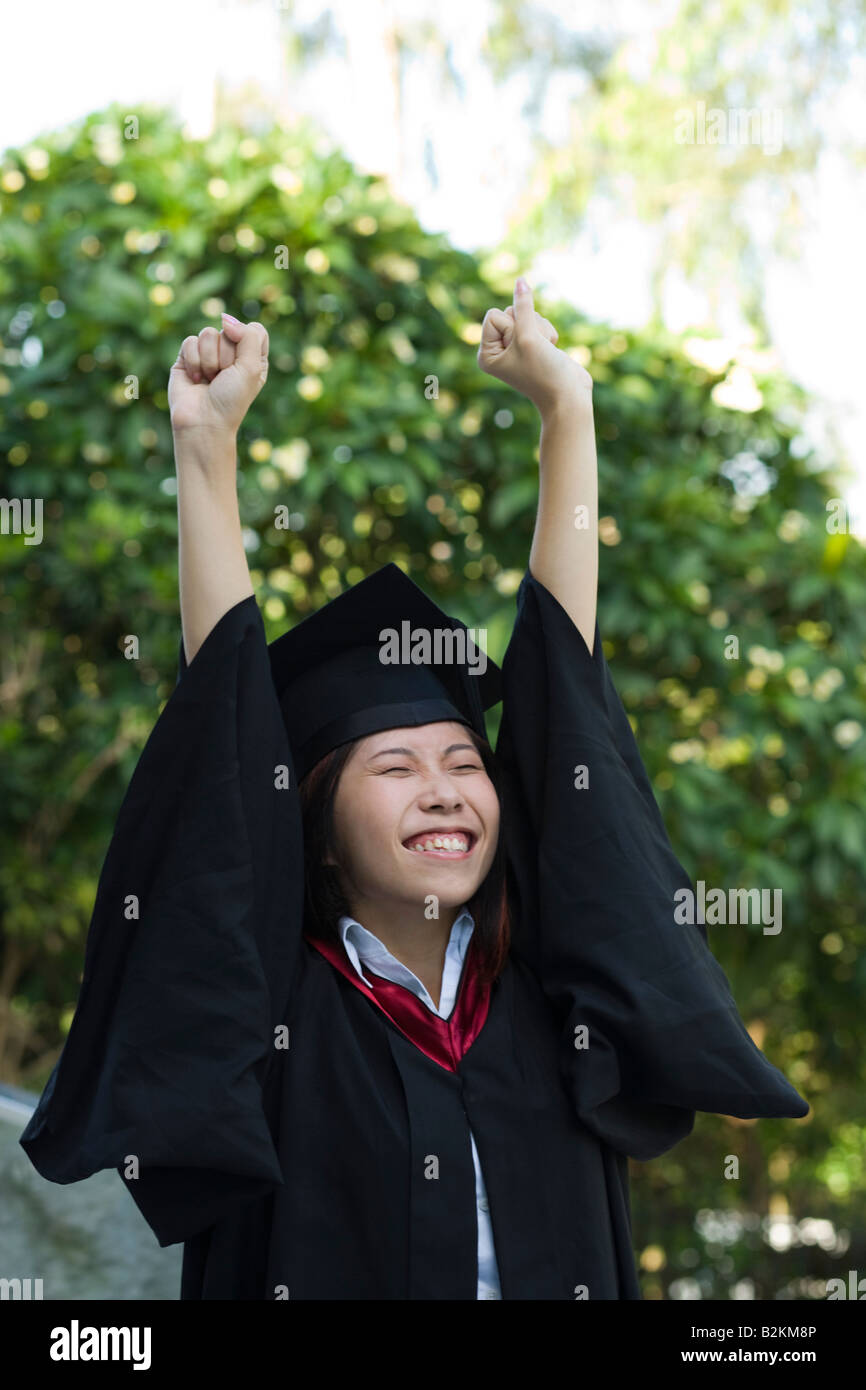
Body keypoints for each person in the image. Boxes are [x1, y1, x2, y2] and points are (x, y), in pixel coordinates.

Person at [20, 280, 808, 1300]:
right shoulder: (269, 1018)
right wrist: (204, 455)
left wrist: (565, 412)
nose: (441, 790)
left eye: (463, 762)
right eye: (393, 767)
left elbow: (564, 697)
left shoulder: (550, 1000)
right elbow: (224, 741)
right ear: (316, 829)